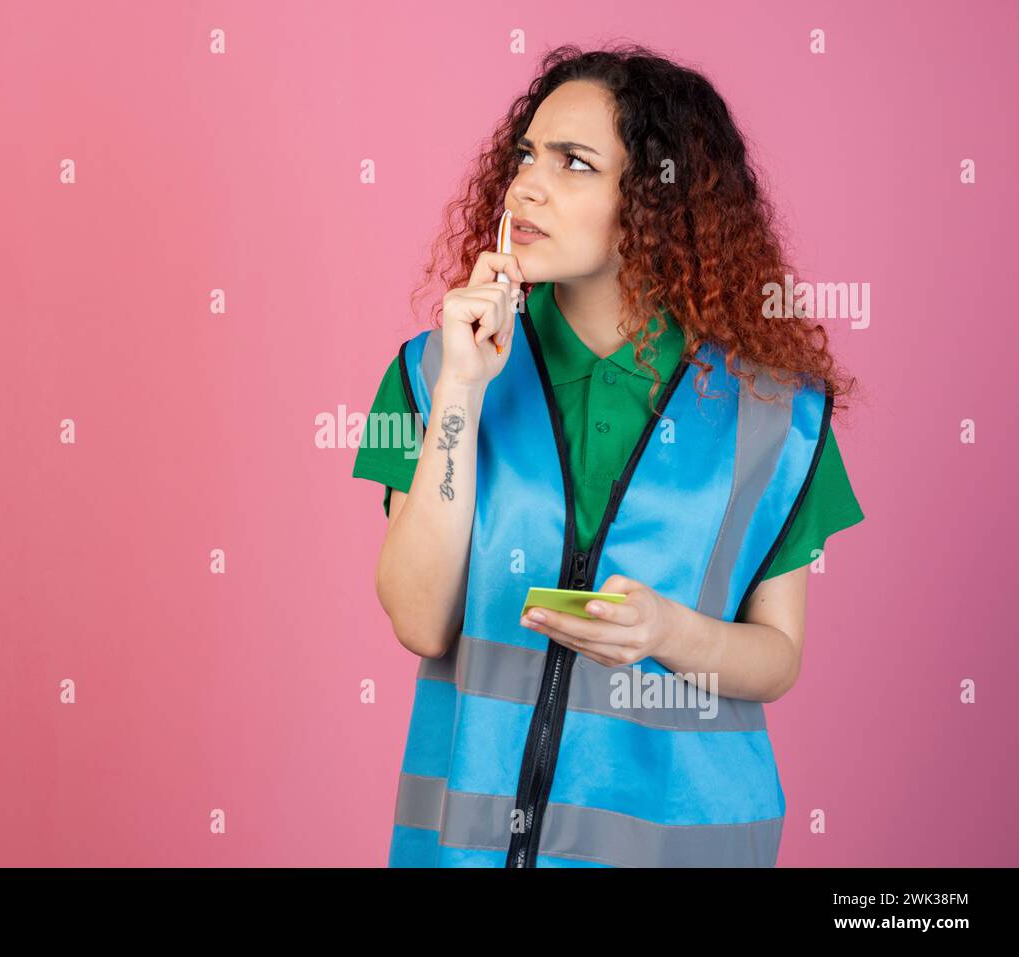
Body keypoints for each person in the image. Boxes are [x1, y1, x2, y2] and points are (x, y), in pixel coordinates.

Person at [352, 43, 866, 868]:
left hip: (684, 846)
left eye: (574, 163)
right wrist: (461, 390)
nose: (526, 185)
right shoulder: (432, 369)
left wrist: (668, 631)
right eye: (526, 155)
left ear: (660, 202)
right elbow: (419, 617)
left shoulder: (777, 413)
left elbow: (777, 656)